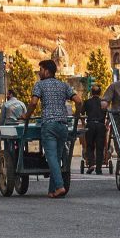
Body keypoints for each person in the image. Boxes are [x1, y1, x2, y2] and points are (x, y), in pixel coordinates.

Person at [23, 59, 82, 198]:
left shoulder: (40, 85)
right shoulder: (64, 85)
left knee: (51, 158)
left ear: (47, 71)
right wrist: (76, 115)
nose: (39, 73)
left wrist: (26, 115)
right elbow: (79, 101)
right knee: (56, 157)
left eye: (41, 70)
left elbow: (33, 102)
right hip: (63, 125)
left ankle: (60, 187)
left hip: (49, 125)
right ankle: (52, 191)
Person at [82, 84, 108, 174]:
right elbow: (108, 115)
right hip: (101, 125)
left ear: (92, 92)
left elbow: (82, 115)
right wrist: (106, 125)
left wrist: (83, 124)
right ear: (100, 93)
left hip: (90, 125)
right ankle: (99, 169)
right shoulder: (103, 103)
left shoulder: (87, 102)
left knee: (89, 146)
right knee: (100, 147)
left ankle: (91, 164)